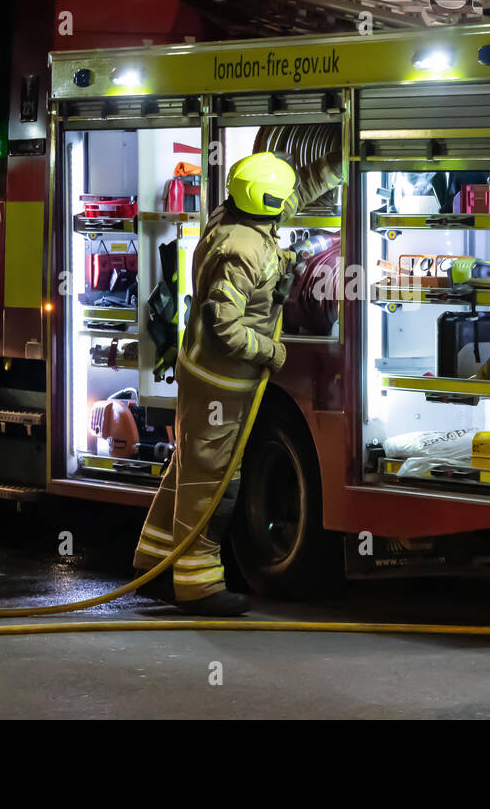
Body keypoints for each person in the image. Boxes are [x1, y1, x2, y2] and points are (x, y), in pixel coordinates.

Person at [133, 149, 341, 616]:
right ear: (270, 203)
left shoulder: (230, 219)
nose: (291, 204)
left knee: (188, 469)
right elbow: (224, 324)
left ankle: (153, 560)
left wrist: (336, 166)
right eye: (284, 199)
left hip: (207, 373)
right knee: (213, 482)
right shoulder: (246, 250)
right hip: (222, 382)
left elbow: (292, 194)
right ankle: (197, 583)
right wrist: (273, 351)